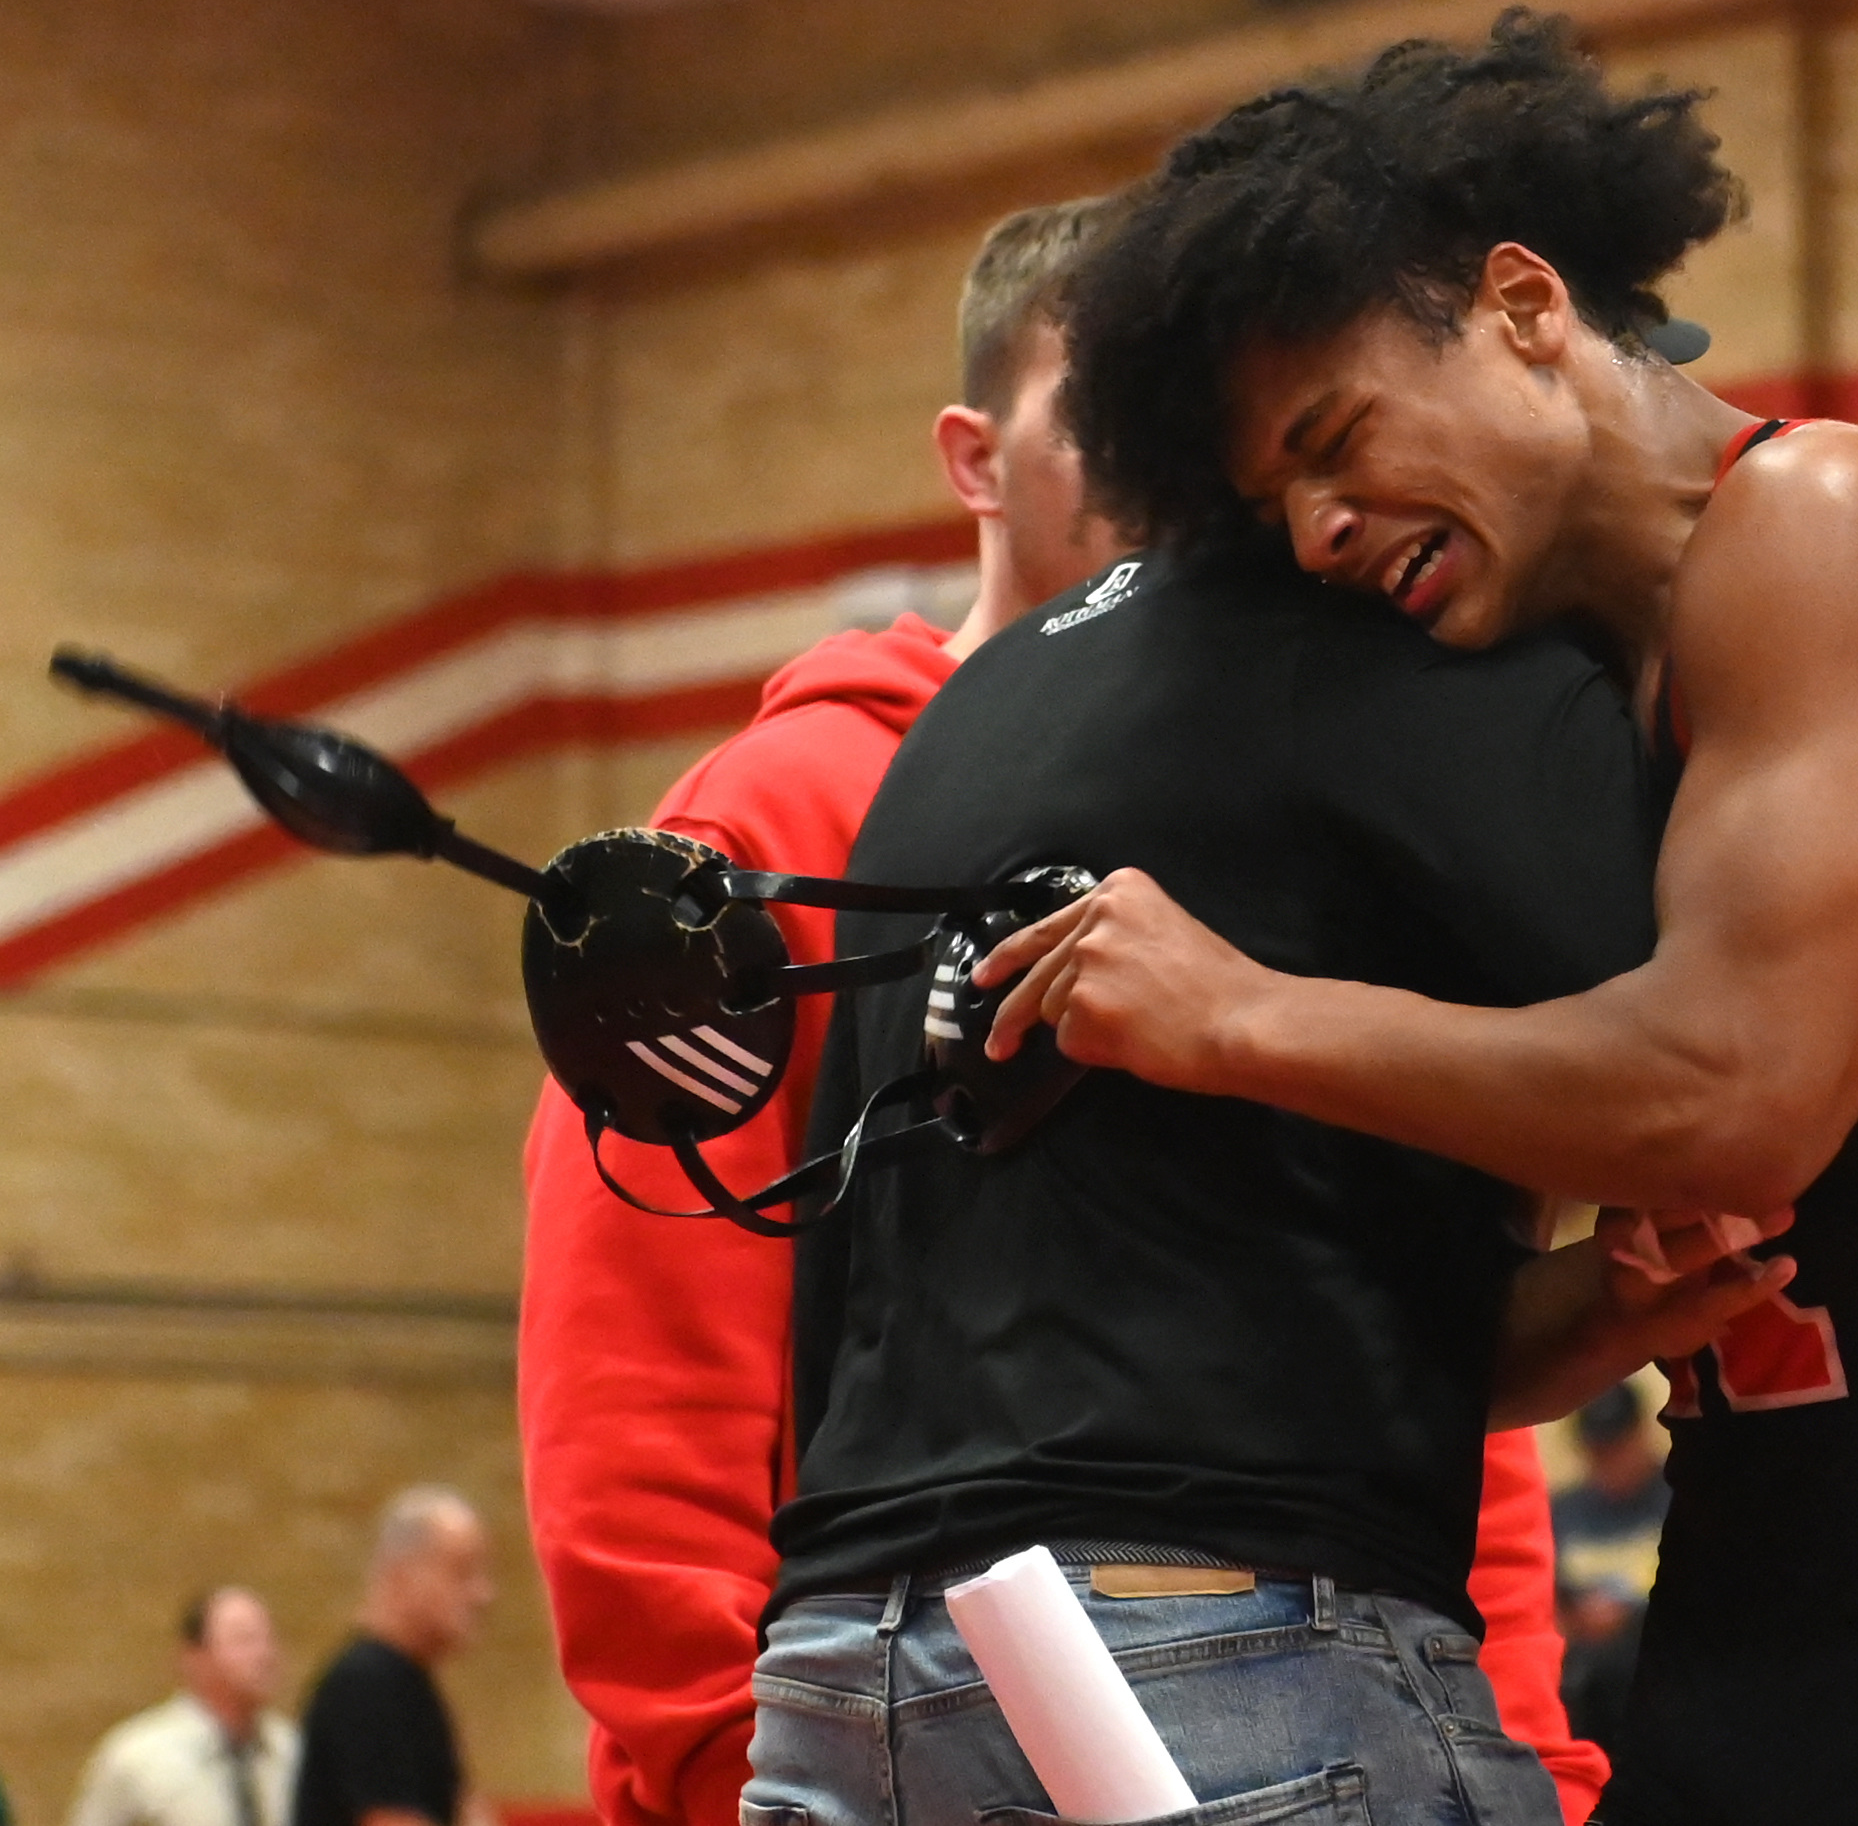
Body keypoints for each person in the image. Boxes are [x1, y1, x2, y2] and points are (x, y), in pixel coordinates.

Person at [985, 7, 1858, 1826]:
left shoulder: (1820, 521)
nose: (1312, 530)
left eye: (1335, 436)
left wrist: (1233, 1016)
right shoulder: (1530, 703)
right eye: (1272, 495)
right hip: (1735, 1660)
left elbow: (1742, 1089)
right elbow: (1500, 1328)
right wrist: (1592, 1291)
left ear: (1523, 303)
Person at [760, 408, 1858, 1826]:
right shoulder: (1453, 697)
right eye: (1305, 458)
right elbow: (1785, 1049)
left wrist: (1602, 1284)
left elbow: (1402, 1323)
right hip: (1271, 1619)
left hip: (847, 1653)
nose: (1338, 520)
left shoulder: (983, 710)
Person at [511, 201, 1611, 1826]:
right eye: (1115, 412)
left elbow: (1394, 1319)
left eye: (1217, 426)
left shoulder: (1293, 786)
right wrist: (708, 1769)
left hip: (1315, 1664)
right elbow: (639, 1377)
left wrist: (1517, 1737)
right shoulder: (780, 816)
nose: (1181, 475)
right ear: (974, 459)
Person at [293, 1489, 495, 1826]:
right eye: (462, 1571)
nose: (483, 1593)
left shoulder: (410, 1684)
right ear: (400, 1576)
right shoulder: (365, 1686)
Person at [71, 1589, 297, 1826]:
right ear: (195, 1656)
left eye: (268, 1639)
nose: (264, 1654)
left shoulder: (292, 1751)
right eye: (244, 1640)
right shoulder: (137, 1758)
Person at [1551, 1387, 1671, 1748]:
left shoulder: (1679, 1499)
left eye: (1616, 1445)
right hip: (1582, 1676)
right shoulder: (1563, 1511)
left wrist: (1630, 1617)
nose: (1607, 1459)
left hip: (1655, 1667)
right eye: (1596, 1450)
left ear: (1639, 1433)